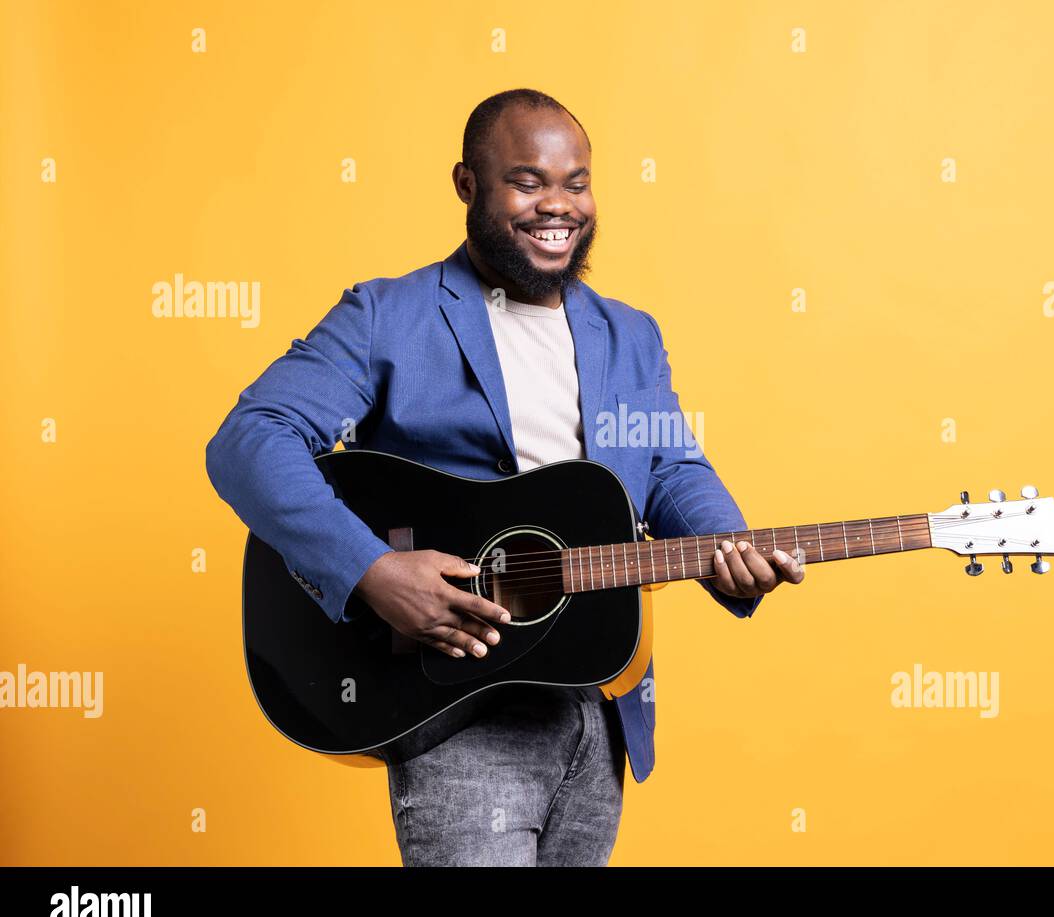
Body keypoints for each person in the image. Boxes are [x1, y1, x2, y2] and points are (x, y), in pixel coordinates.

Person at [205, 88, 805, 866]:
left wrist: (728, 546)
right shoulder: (388, 315)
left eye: (576, 182)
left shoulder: (630, 333)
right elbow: (249, 440)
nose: (558, 205)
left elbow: (669, 465)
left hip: (600, 703)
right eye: (528, 182)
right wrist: (371, 571)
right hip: (459, 708)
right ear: (467, 185)